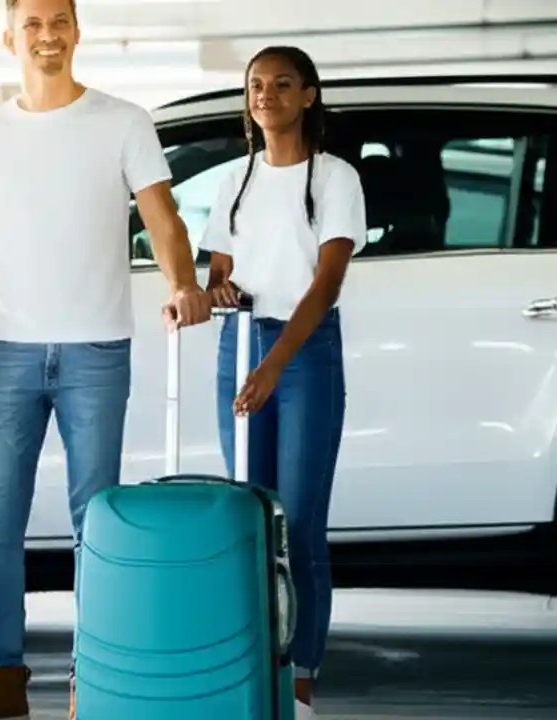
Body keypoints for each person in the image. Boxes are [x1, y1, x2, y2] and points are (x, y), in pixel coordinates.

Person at [0, 1, 211, 717]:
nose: (47, 34)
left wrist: (183, 283)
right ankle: (3, 677)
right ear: (11, 37)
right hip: (6, 350)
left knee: (93, 520)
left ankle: (91, 676)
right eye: (32, 24)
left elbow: (163, 217)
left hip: (96, 348)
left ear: (76, 30)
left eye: (58, 20)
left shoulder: (123, 122)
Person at [199, 45, 366, 711]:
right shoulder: (232, 181)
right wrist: (218, 291)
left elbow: (325, 284)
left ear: (308, 96)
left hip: (303, 354)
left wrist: (274, 364)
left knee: (298, 522)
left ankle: (300, 676)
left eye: (281, 84)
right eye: (256, 85)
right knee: (248, 520)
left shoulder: (335, 179)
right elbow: (220, 269)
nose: (266, 95)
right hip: (239, 348)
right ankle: (254, 665)